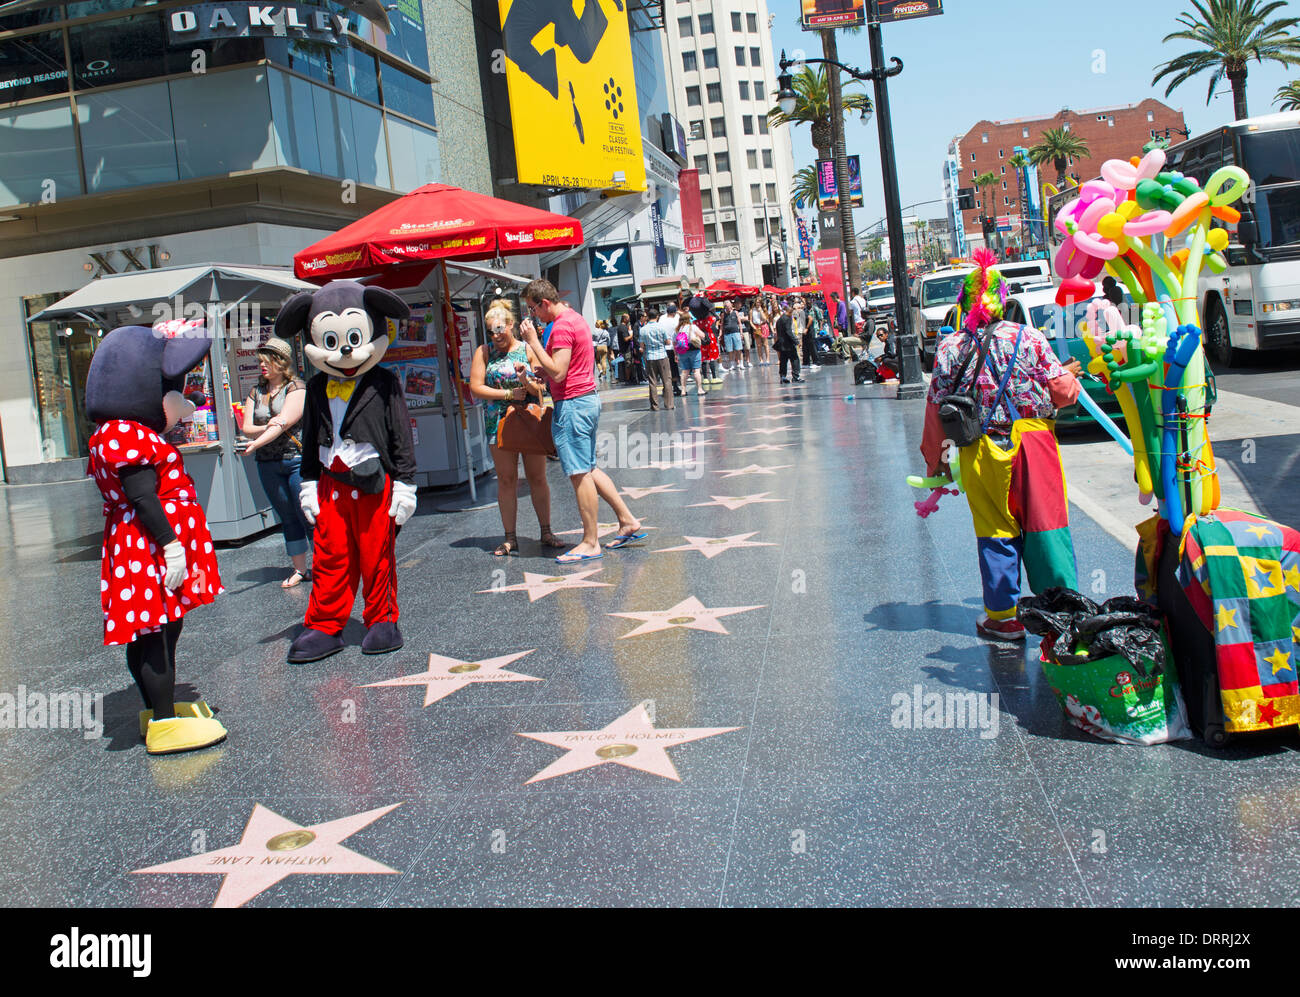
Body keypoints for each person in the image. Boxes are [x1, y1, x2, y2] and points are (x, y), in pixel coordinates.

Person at [920, 250, 1084, 642]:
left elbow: (935, 410)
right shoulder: (1029, 337)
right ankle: (1060, 614)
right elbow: (1062, 393)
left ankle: (1004, 618)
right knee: (1046, 529)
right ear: (1003, 300)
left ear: (963, 304)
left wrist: (935, 463)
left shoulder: (949, 349)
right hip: (1034, 445)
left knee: (995, 533)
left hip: (979, 450)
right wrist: (1071, 378)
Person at [519, 279, 643, 562]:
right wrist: (543, 373)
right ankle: (627, 520)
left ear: (545, 303)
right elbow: (562, 368)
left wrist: (534, 342)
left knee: (579, 472)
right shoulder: (576, 319)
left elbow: (560, 372)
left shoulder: (561, 326)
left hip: (573, 404)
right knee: (588, 467)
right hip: (585, 398)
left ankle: (590, 541)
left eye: (533, 309)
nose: (533, 315)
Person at [469, 299, 564, 556]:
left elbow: (540, 388)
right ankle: (510, 537)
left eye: (500, 329)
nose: (496, 335)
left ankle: (546, 531)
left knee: (537, 477)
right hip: (497, 422)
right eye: (491, 331)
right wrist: (509, 395)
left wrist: (526, 380)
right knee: (507, 480)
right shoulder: (484, 352)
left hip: (529, 420)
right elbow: (475, 387)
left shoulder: (526, 349)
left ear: (510, 325)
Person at [241, 337, 311, 587]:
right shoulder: (255, 391)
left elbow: (285, 423)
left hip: (296, 459)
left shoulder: (296, 388)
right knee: (287, 516)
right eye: (261, 361)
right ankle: (300, 569)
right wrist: (267, 426)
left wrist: (258, 440)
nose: (262, 366)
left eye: (267, 361)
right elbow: (246, 427)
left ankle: (328, 566)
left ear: (281, 362)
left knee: (309, 514)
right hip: (268, 463)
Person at [639, 304, 674, 410]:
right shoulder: (661, 327)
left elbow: (642, 346)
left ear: (648, 317)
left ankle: (654, 406)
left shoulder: (643, 330)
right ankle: (669, 405)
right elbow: (668, 342)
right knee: (667, 381)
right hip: (662, 355)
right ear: (657, 316)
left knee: (652, 382)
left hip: (650, 357)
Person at [675, 310, 707, 395]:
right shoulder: (692, 327)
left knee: (685, 371)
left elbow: (675, 342)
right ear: (688, 319)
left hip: (682, 351)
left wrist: (676, 354)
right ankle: (700, 389)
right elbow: (703, 335)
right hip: (694, 350)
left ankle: (683, 390)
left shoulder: (678, 329)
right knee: (696, 370)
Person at [774, 299, 804, 384]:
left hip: (781, 343)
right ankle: (795, 377)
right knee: (795, 359)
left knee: (783, 361)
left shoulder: (780, 319)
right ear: (790, 311)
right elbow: (789, 331)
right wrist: (796, 341)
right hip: (788, 344)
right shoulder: (787, 319)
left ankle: (782, 376)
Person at [722, 300, 744, 372]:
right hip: (727, 334)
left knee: (739, 349)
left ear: (731, 305)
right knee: (730, 350)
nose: (728, 308)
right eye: (726, 306)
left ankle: (741, 364)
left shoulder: (735, 313)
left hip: (736, 332)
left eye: (728, 306)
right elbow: (722, 325)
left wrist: (741, 333)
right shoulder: (723, 314)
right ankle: (732, 364)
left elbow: (739, 323)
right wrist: (721, 334)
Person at [750, 298, 772, 366]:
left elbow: (765, 319)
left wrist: (761, 311)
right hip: (756, 326)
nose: (758, 304)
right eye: (757, 302)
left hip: (763, 326)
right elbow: (750, 320)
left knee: (765, 344)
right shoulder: (752, 311)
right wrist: (754, 327)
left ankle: (767, 359)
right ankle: (761, 360)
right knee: (758, 345)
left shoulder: (763, 310)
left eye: (759, 302)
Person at [592, 319, 611, 386]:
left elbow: (592, 339)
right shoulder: (605, 331)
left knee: (597, 360)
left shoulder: (594, 331)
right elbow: (609, 339)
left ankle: (600, 370)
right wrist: (607, 345)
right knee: (604, 360)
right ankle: (604, 374)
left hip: (598, 347)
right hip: (604, 346)